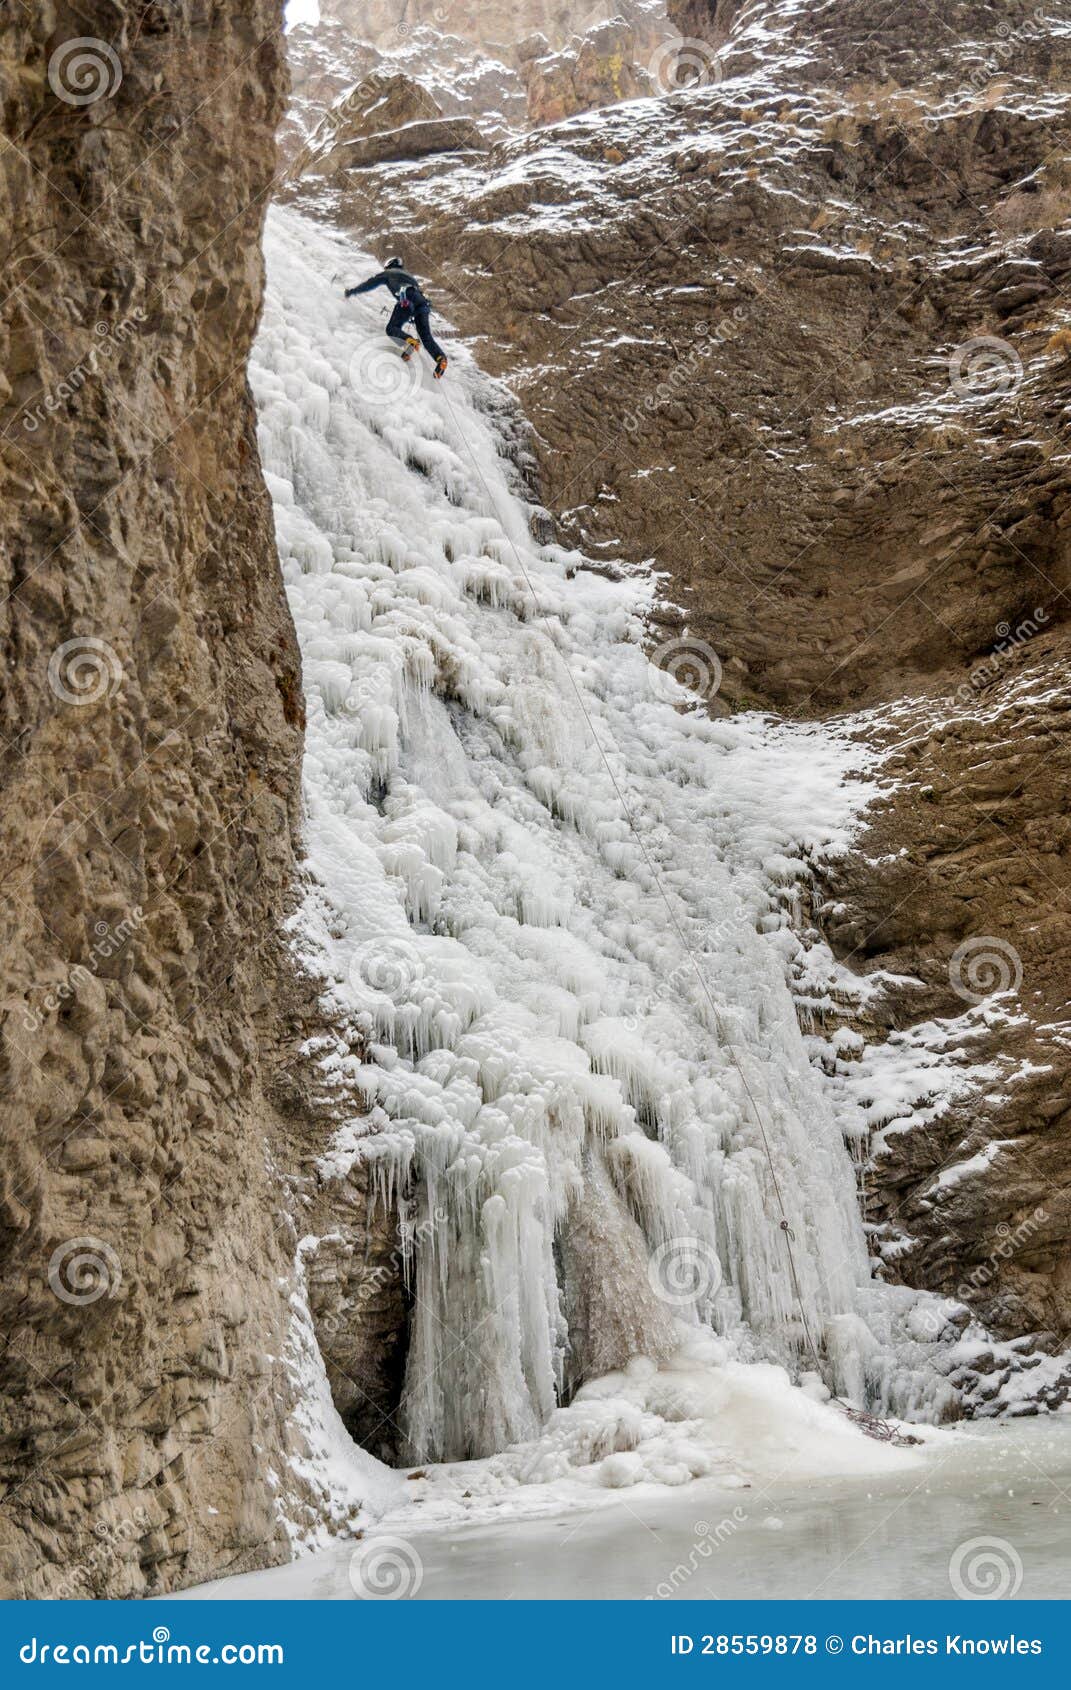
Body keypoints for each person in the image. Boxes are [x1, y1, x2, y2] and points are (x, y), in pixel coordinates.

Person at [344, 257, 448, 379]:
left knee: (392, 328)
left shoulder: (388, 273)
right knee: (426, 338)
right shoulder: (410, 277)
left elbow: (369, 284)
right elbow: (417, 295)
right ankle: (440, 359)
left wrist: (352, 292)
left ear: (389, 265)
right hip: (422, 304)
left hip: (406, 298)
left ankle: (410, 342)